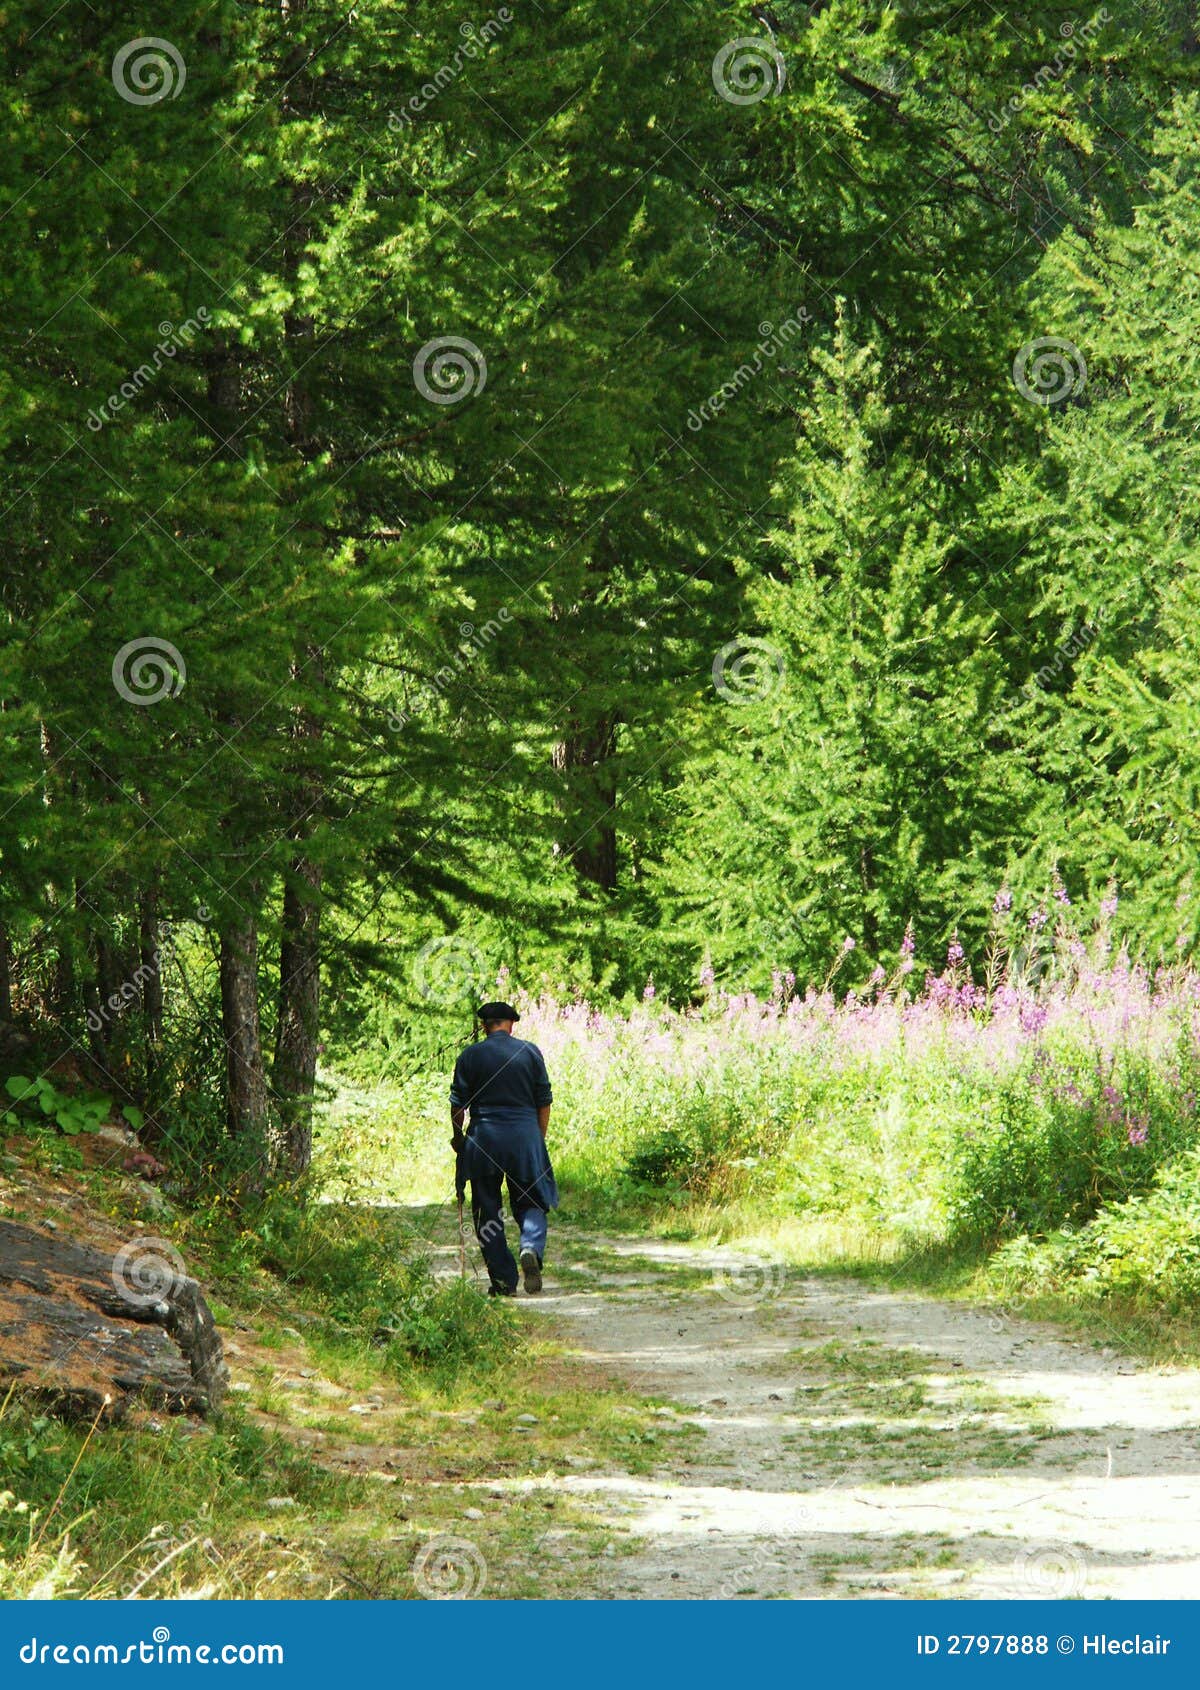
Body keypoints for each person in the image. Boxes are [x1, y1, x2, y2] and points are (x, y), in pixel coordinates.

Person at [450, 1000, 557, 1296]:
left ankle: (503, 1282)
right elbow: (544, 1101)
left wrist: (458, 1138)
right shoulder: (530, 1052)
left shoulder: (470, 1056)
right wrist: (538, 1138)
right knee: (532, 1200)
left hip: (484, 1139)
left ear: (484, 1026)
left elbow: (458, 1106)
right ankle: (531, 1247)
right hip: (525, 1138)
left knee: (488, 1211)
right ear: (511, 1025)